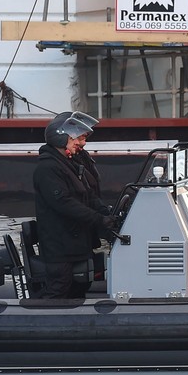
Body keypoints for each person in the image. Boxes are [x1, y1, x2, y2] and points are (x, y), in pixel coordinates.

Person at [33, 111, 116, 299]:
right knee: (59, 288)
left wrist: (106, 213)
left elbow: (87, 195)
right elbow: (64, 203)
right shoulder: (48, 168)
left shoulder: (69, 164)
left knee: (79, 287)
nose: (82, 143)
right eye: (77, 138)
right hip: (60, 247)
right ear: (61, 137)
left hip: (75, 243)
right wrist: (98, 220)